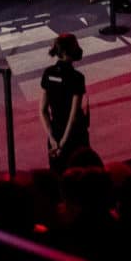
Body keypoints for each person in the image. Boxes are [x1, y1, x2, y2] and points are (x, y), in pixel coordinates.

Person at [39, 33, 90, 168]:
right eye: (76, 46)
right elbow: (73, 116)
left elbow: (43, 110)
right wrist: (63, 143)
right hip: (74, 136)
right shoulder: (77, 77)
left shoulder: (48, 73)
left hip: (55, 132)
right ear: (68, 51)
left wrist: (52, 139)